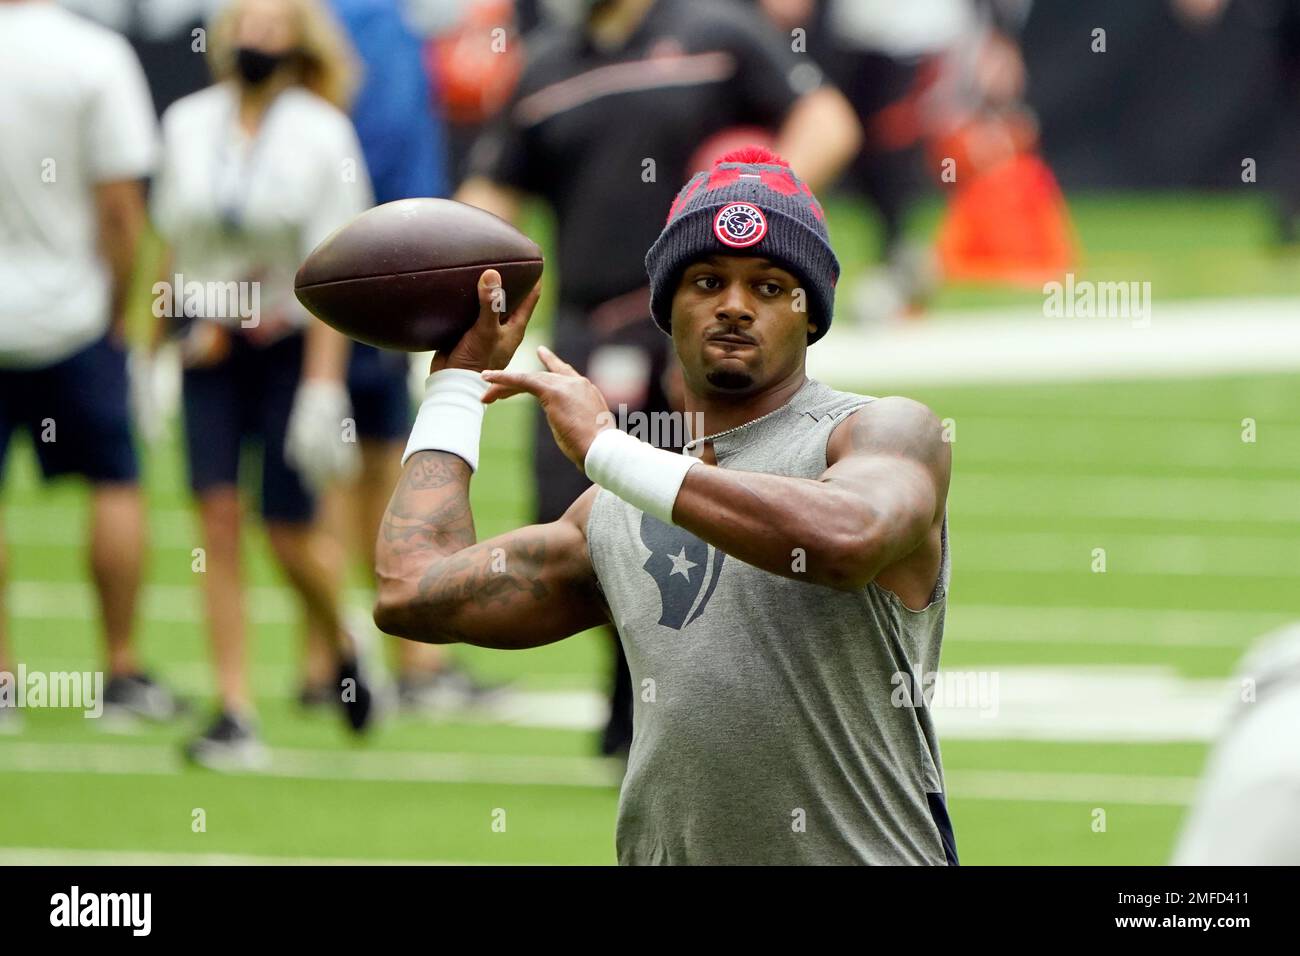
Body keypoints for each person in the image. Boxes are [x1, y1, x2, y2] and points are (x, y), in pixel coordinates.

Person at [374, 147, 957, 865]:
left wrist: (607, 449)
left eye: (772, 287)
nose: (736, 305)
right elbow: (412, 591)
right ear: (666, 307)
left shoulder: (883, 431)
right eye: (707, 281)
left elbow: (847, 539)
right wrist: (458, 386)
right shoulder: (615, 509)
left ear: (813, 316)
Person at [457, 0, 861, 757]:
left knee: (695, 514)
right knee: (573, 515)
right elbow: (491, 194)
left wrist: (748, 221)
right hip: (584, 327)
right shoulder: (543, 65)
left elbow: (829, 120)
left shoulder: (716, 33)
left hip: (697, 328)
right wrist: (442, 268)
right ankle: (636, 682)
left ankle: (666, 702)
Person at [150, 0, 377, 768]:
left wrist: (323, 386)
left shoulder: (322, 132)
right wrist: (151, 350)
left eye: (274, 26)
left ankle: (346, 638)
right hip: (209, 344)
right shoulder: (187, 122)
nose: (257, 38)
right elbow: (170, 243)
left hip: (286, 340)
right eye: (248, 23)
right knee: (215, 518)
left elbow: (333, 270)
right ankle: (235, 706)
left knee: (286, 530)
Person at [0, 0, 183, 726]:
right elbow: (119, 208)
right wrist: (116, 308)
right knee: (114, 481)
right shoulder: (92, 54)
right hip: (73, 313)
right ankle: (123, 667)